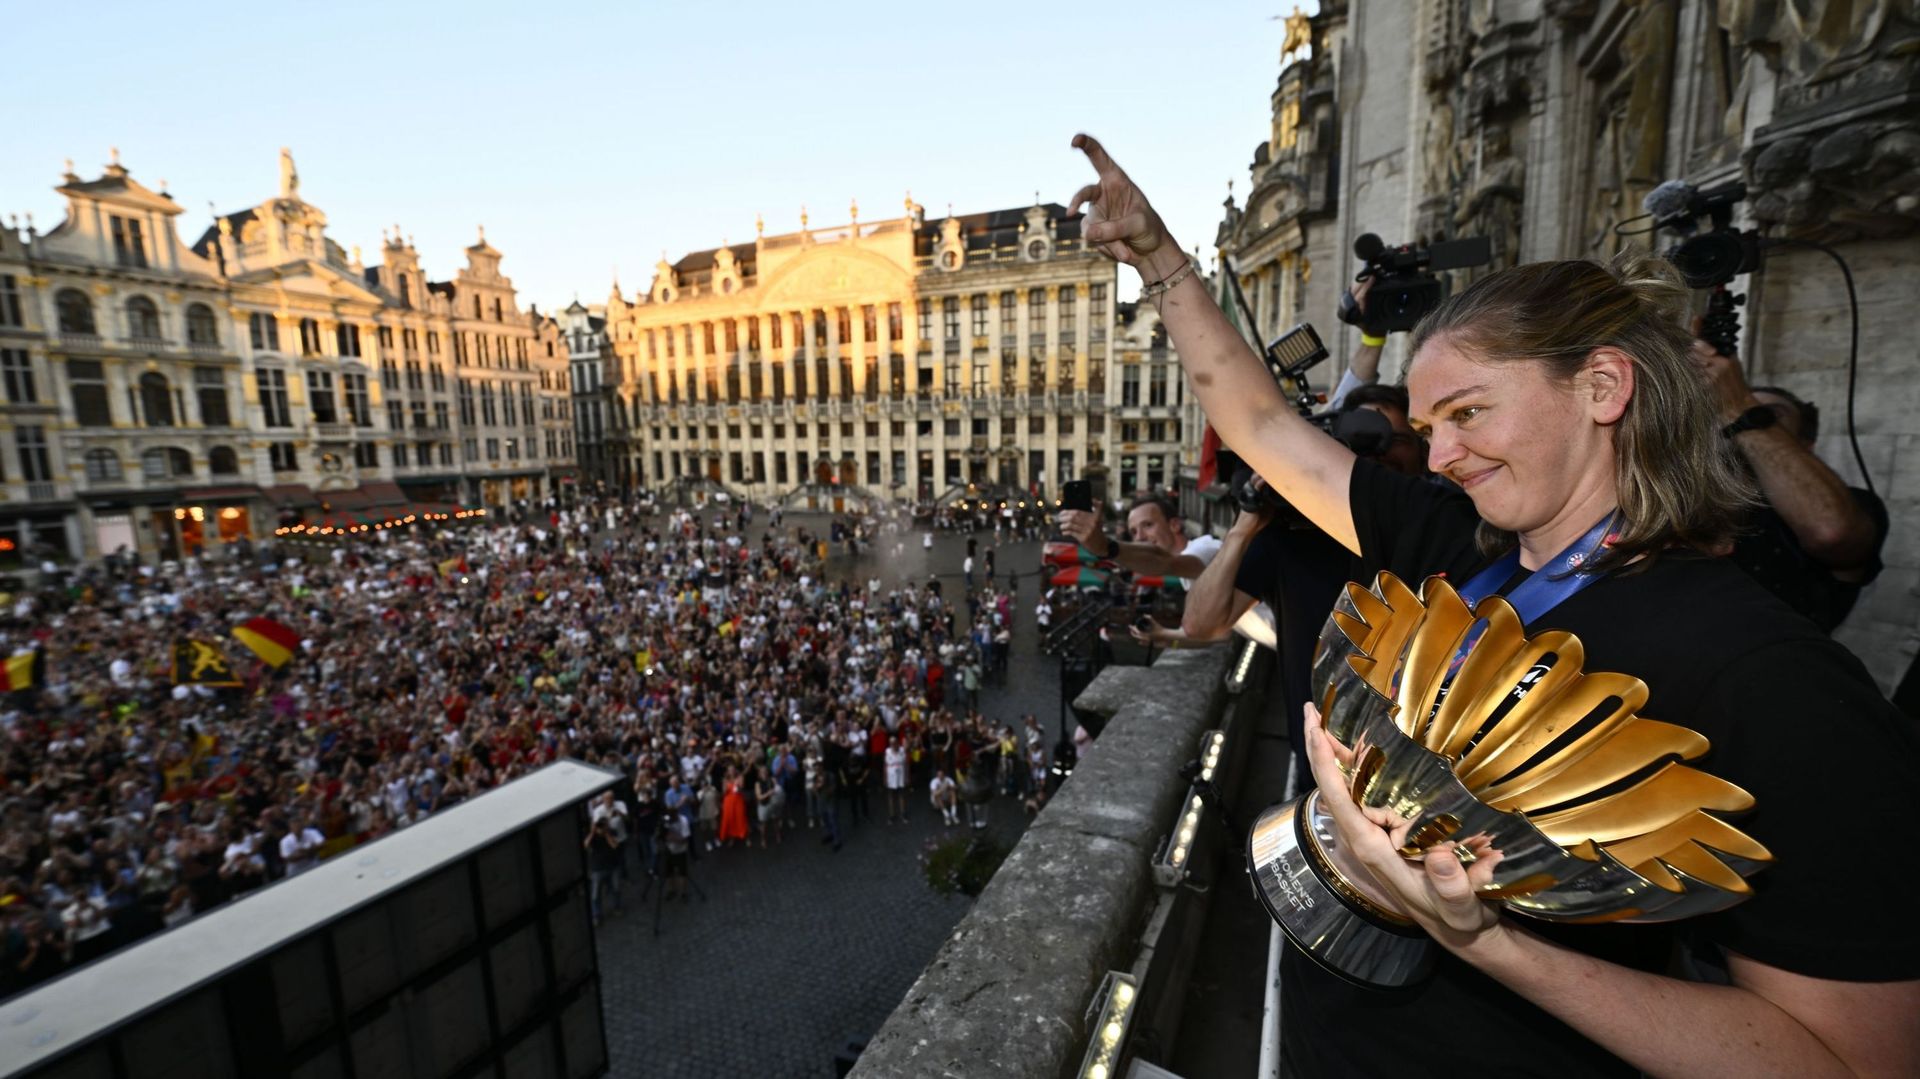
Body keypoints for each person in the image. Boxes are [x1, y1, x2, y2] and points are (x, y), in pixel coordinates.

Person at [1066, 132, 1918, 1077]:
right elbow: (1261, 423)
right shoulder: (1448, 538)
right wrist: (1157, 257)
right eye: (1427, 428)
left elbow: (1849, 1061)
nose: (1436, 456)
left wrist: (1484, 940)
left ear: (1601, 386)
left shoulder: (1772, 678)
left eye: (1468, 413)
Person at [1692, 336, 1889, 633]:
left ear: (1806, 443)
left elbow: (1831, 532)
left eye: (1771, 415)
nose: (1734, 424)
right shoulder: (1700, 498)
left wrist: (1738, 405)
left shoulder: (1855, 504)